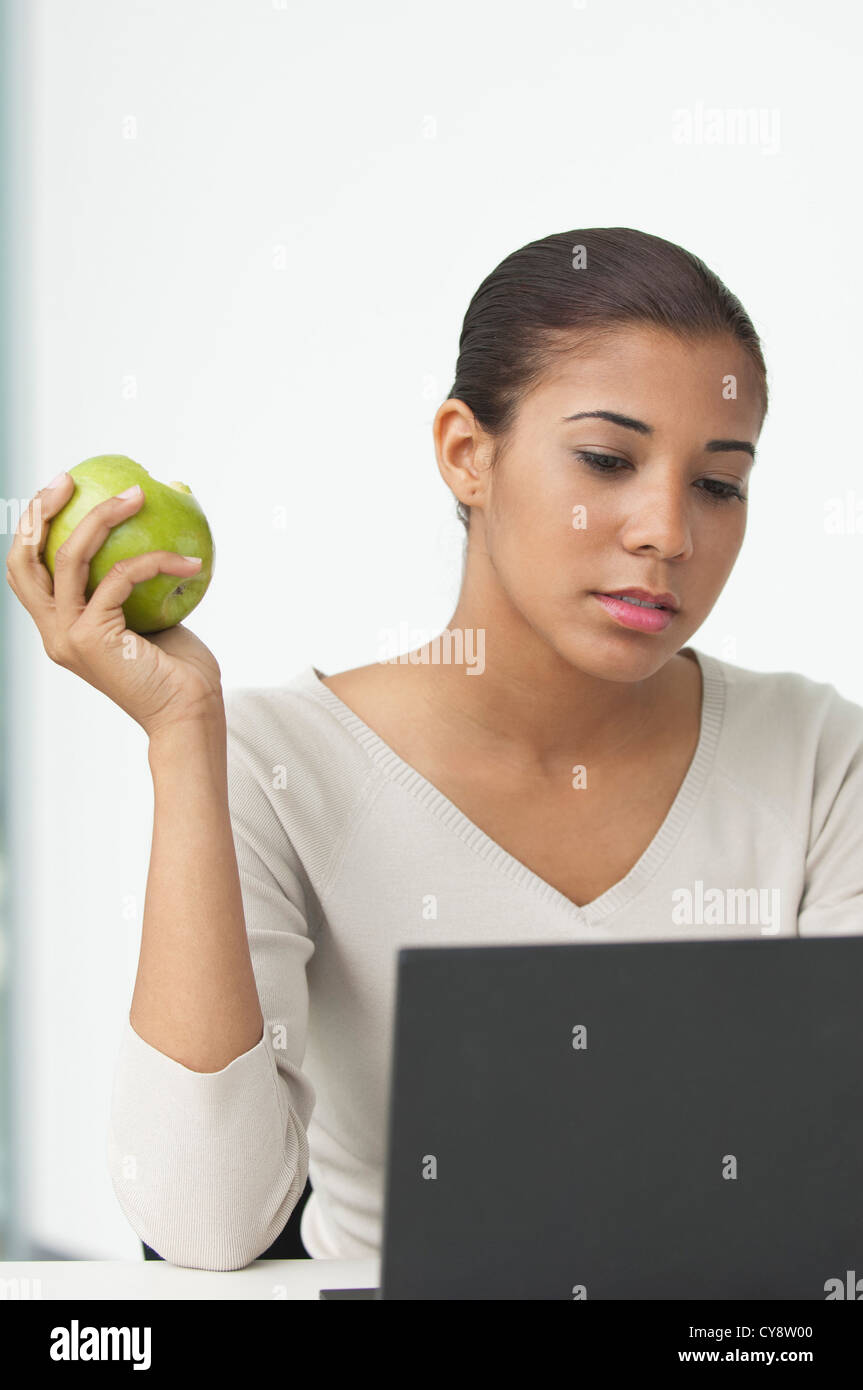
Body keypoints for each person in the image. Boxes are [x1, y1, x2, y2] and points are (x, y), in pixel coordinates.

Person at [8, 227, 863, 1271]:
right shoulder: (280, 761)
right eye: (606, 459)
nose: (666, 531)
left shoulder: (820, 756)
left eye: (717, 483)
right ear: (467, 452)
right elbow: (201, 1229)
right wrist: (185, 737)